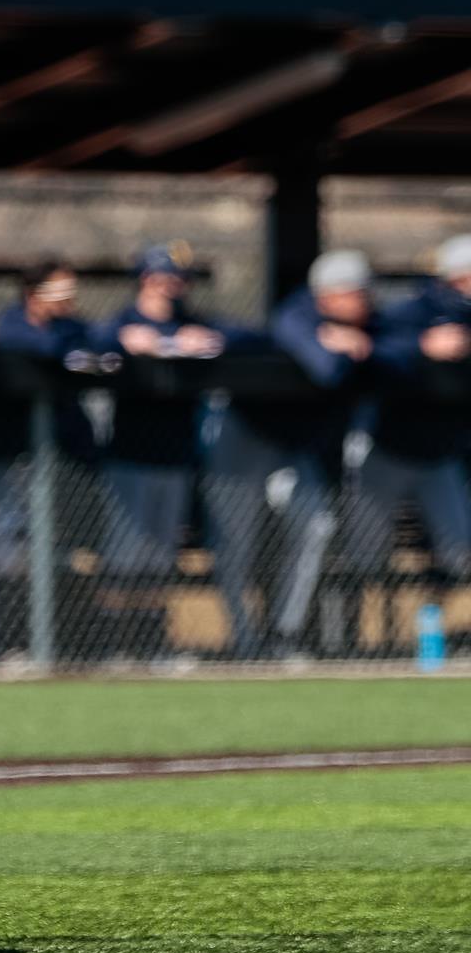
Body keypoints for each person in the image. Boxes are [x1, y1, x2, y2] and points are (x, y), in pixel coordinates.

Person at [209, 251, 377, 656]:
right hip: (245, 435)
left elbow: (404, 348)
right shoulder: (296, 314)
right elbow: (326, 368)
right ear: (329, 296)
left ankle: (284, 634)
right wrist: (341, 345)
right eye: (356, 294)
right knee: (235, 540)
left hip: (293, 446)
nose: (365, 302)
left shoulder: (369, 323)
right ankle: (244, 637)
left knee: (315, 524)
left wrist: (364, 343)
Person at [91, 245, 250, 659]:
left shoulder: (192, 323)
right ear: (146, 279)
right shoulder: (123, 323)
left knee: (160, 557)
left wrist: (203, 339)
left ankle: (151, 644)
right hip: (130, 454)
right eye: (165, 277)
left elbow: (253, 335)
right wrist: (126, 343)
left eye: (180, 278)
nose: (175, 285)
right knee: (125, 554)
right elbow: (85, 345)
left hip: (177, 456)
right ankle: (113, 645)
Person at [0, 259, 97, 659]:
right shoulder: (9, 325)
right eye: (59, 291)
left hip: (50, 463)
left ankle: (41, 645)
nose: (69, 299)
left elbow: (98, 347)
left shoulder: (74, 329)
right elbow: (32, 345)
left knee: (45, 553)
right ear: (33, 295)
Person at [354, 234, 471, 581]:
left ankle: (455, 631)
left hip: (443, 455)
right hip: (388, 450)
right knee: (365, 556)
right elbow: (375, 346)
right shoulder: (416, 311)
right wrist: (421, 345)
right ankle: (347, 634)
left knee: (459, 555)